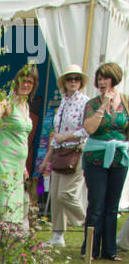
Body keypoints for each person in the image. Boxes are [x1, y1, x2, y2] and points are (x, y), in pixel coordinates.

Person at [80, 62, 129, 261]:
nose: (101, 82)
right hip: (96, 158)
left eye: (105, 78)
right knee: (96, 205)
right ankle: (90, 249)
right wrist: (103, 105)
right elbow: (90, 128)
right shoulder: (91, 104)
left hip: (119, 157)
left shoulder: (125, 101)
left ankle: (110, 250)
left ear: (114, 79)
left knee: (112, 206)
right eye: (99, 78)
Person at [42, 65, 89, 247]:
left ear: (81, 82)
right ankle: (58, 236)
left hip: (76, 151)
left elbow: (87, 130)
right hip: (60, 152)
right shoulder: (63, 102)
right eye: (70, 79)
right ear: (64, 82)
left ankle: (87, 221)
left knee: (65, 194)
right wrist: (47, 158)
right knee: (55, 195)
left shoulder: (85, 102)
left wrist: (67, 137)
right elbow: (57, 132)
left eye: (76, 79)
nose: (73, 82)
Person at [0, 66, 35, 227]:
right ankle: (0, 239)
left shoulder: (25, 106)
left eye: (30, 82)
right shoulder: (9, 102)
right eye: (23, 81)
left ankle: (10, 241)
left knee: (16, 204)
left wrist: (24, 167)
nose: (26, 84)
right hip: (4, 161)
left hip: (18, 164)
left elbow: (22, 137)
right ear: (17, 82)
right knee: (4, 202)